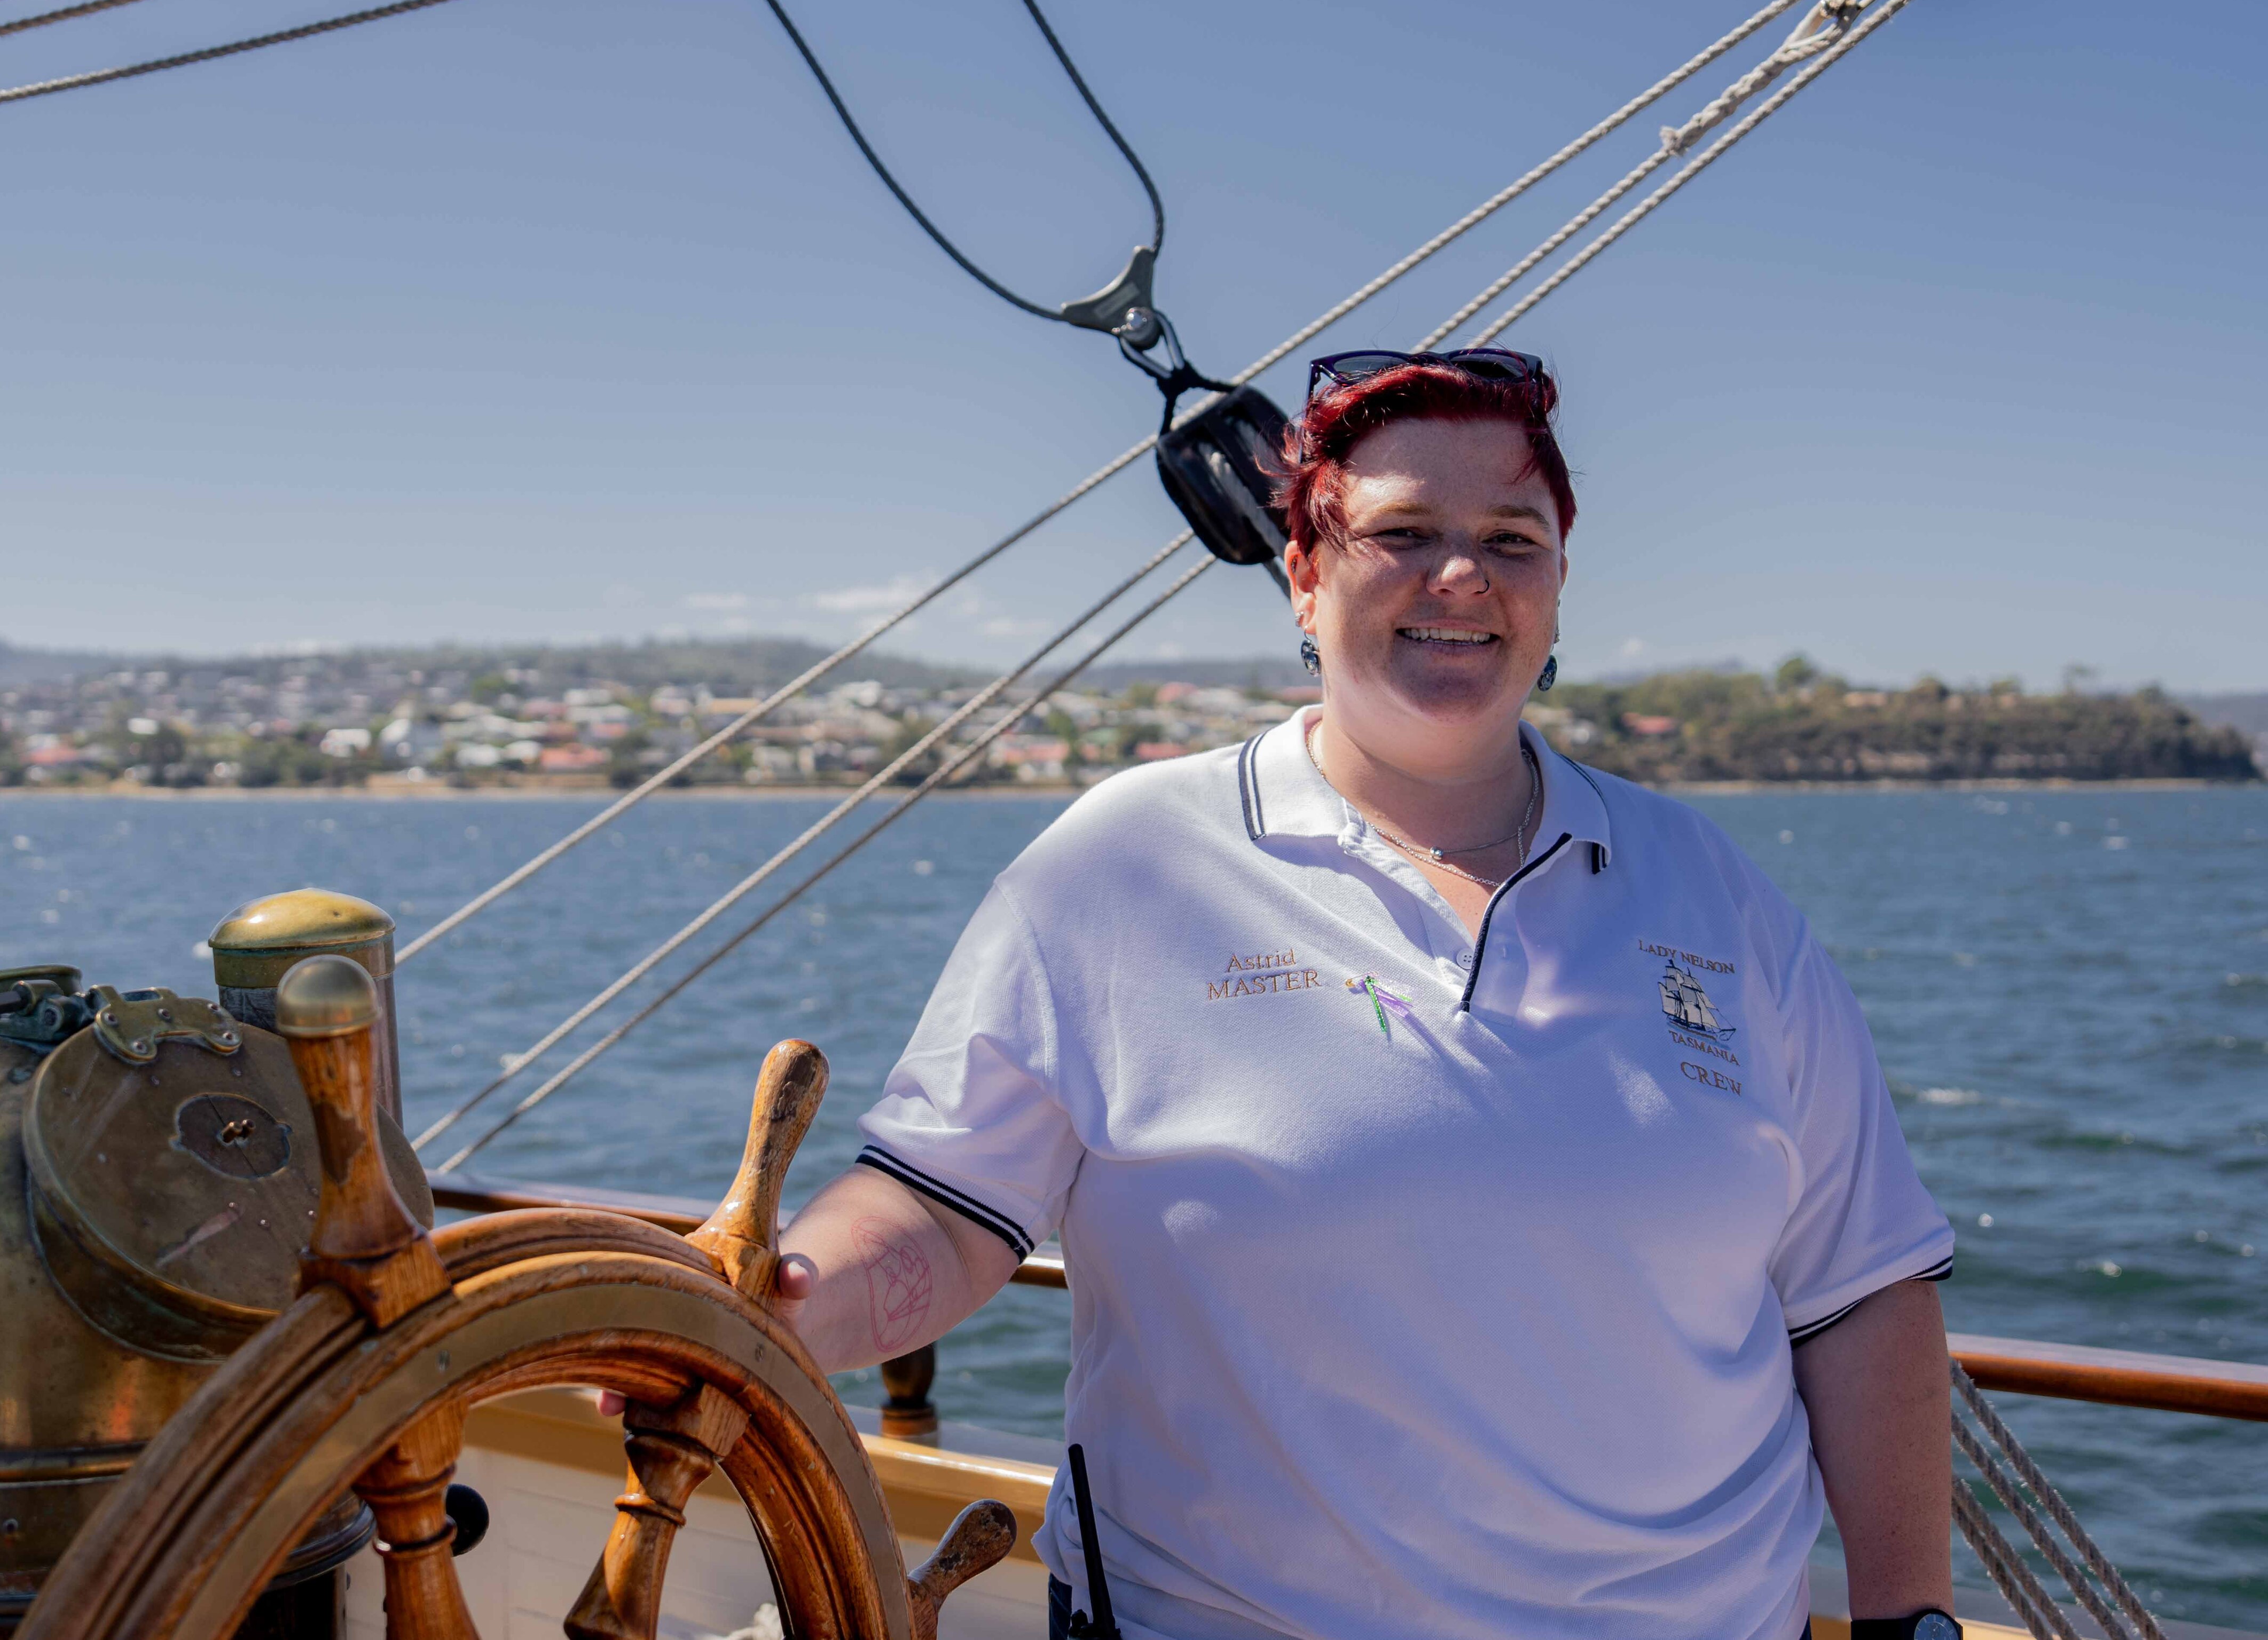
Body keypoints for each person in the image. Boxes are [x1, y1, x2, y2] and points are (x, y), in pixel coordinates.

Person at [771, 350, 1959, 1640]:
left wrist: (1911, 1622)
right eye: (1402, 532)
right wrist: (770, 1298)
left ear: (1558, 585)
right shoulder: (1127, 862)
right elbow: (940, 1210)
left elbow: (1860, 1291)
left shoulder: (1717, 896)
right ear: (1302, 573)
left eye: (1512, 539)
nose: (1463, 574)